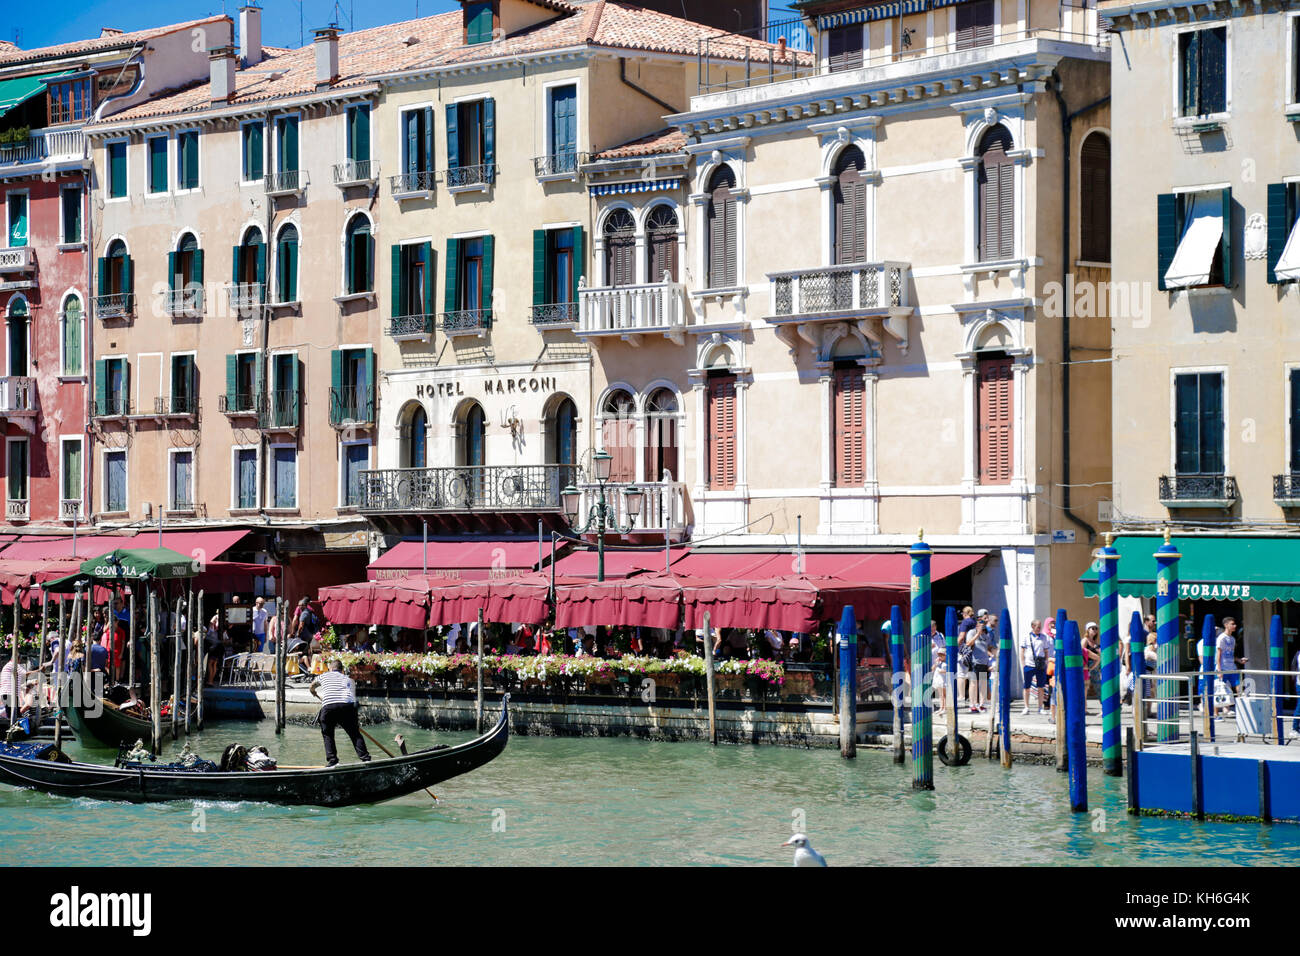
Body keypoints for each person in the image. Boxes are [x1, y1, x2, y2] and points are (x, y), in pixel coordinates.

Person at [309, 659, 371, 766]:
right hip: (347, 706)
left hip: (329, 707)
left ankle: (332, 760)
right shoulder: (349, 680)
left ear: (331, 668)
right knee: (355, 734)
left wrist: (313, 692)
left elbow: (312, 686)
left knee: (328, 734)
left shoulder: (324, 676)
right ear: (341, 670)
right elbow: (352, 699)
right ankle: (366, 759)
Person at [1215, 616, 1242, 716]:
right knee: (1220, 690)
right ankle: (1217, 713)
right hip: (1223, 667)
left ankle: (1240, 707)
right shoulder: (1221, 638)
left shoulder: (1233, 639)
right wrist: (1219, 669)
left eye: (1234, 624)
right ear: (1226, 625)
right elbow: (1219, 654)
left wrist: (1239, 660)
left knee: (1238, 687)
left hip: (1232, 667)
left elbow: (1230, 653)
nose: (1234, 626)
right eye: (1232, 624)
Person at [1021, 619, 1048, 715]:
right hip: (1029, 664)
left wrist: (1046, 662)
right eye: (1037, 626)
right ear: (1032, 626)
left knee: (1041, 686)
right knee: (1026, 686)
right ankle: (1026, 707)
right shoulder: (1026, 637)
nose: (1039, 628)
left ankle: (1040, 707)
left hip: (1040, 665)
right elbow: (1022, 651)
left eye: (1040, 626)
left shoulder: (1044, 637)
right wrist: (1023, 664)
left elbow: (1046, 651)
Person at [967, 617, 992, 713]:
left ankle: (982, 704)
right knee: (973, 683)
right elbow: (968, 643)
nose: (982, 625)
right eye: (980, 623)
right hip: (974, 661)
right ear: (976, 624)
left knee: (983, 683)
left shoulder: (986, 635)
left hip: (984, 662)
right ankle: (972, 704)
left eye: (983, 623)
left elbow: (987, 648)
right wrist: (977, 633)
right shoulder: (972, 632)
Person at [1081, 622, 1101, 700]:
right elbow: (1082, 653)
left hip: (1094, 666)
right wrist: (1085, 666)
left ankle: (1104, 706)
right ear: (1088, 630)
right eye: (1093, 628)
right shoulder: (1085, 640)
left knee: (1098, 686)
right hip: (1087, 666)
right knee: (1085, 688)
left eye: (1096, 628)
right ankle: (1084, 708)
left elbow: (1100, 654)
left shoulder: (1095, 642)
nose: (1095, 630)